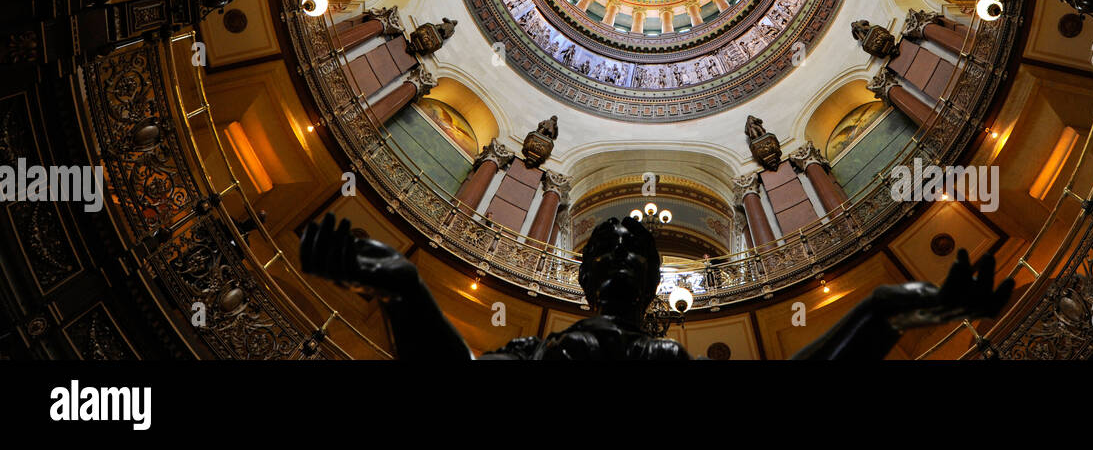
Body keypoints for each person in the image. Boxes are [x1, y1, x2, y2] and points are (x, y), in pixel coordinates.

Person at [301, 213, 1013, 360]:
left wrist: (888, 308)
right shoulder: (527, 352)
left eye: (633, 255)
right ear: (581, 280)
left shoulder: (666, 359)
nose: (615, 261)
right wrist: (403, 286)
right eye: (604, 252)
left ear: (652, 286)